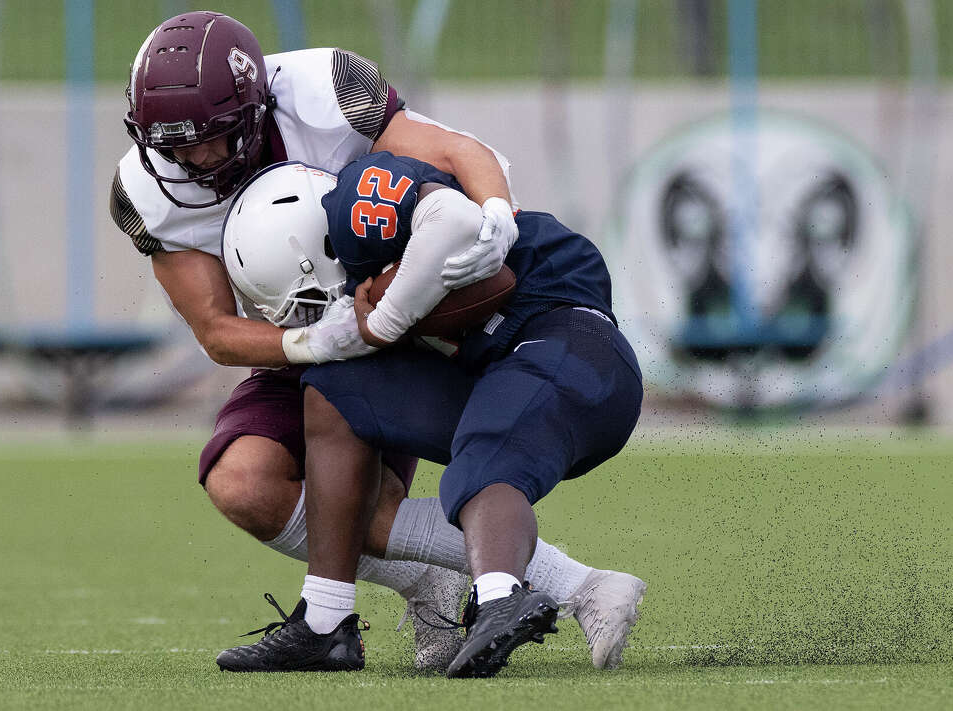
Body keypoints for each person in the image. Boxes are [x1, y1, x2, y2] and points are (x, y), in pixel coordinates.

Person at [110, 11, 639, 672]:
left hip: (403, 293)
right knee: (245, 481)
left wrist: (495, 220)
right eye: (170, 145)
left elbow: (457, 158)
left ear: (252, 110)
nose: (190, 160)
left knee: (413, 480)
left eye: (208, 139)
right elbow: (217, 329)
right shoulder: (145, 191)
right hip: (296, 328)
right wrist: (315, 342)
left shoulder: (322, 95)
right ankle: (401, 594)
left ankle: (540, 588)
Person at [214, 156, 644, 678]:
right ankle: (325, 621)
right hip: (494, 368)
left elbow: (458, 227)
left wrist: (384, 322)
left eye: (304, 299)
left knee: (485, 457)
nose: (310, 316)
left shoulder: (355, 206)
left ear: (317, 251)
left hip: (571, 343)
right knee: (333, 392)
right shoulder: (354, 265)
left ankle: (499, 598)